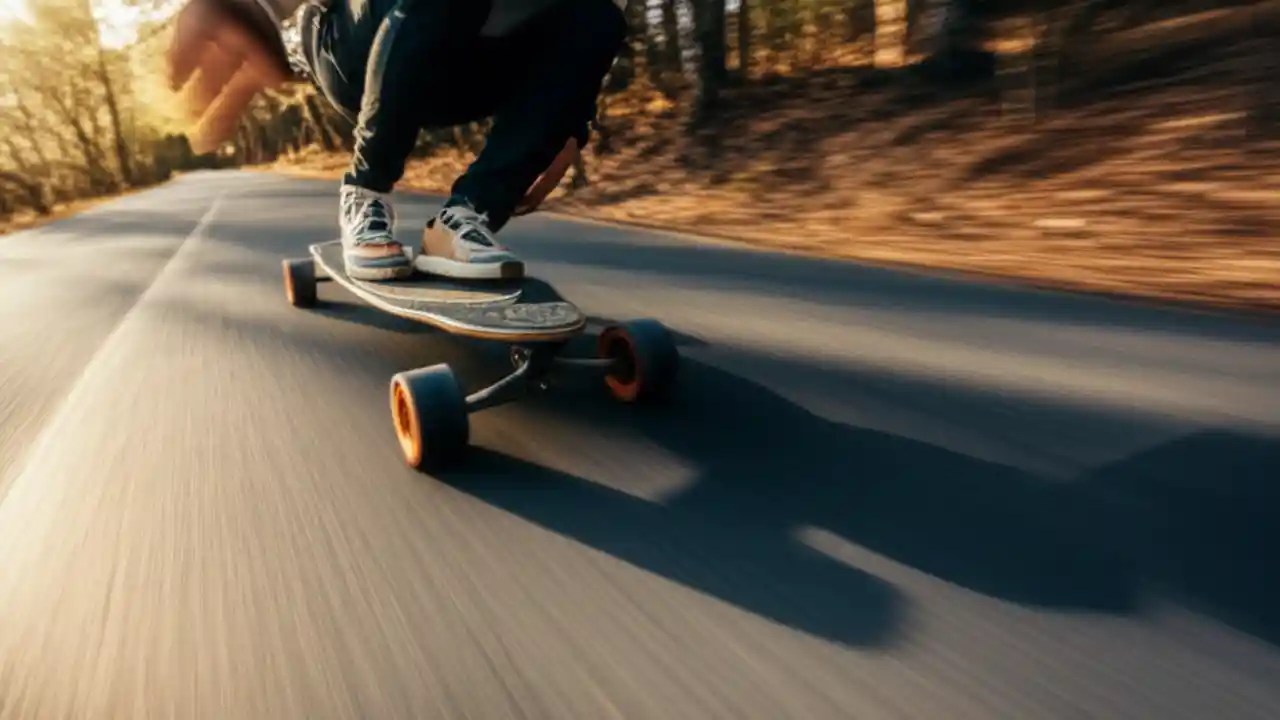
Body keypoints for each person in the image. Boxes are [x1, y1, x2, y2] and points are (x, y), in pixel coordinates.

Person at [167, 0, 626, 280]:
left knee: (600, 16)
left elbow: (583, 40)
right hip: (358, 48)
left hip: (468, 69)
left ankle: (465, 220)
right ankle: (364, 194)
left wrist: (571, 122)